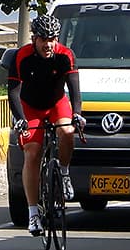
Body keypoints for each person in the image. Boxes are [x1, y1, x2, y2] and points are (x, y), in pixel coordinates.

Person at [7, 14, 84, 236]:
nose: (48, 44)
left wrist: (77, 114)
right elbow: (13, 91)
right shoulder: (21, 56)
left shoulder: (65, 55)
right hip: (30, 106)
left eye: (52, 38)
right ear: (34, 39)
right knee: (32, 152)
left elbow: (75, 90)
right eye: (43, 39)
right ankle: (33, 213)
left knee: (67, 131)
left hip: (56, 103)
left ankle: (64, 172)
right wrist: (20, 119)